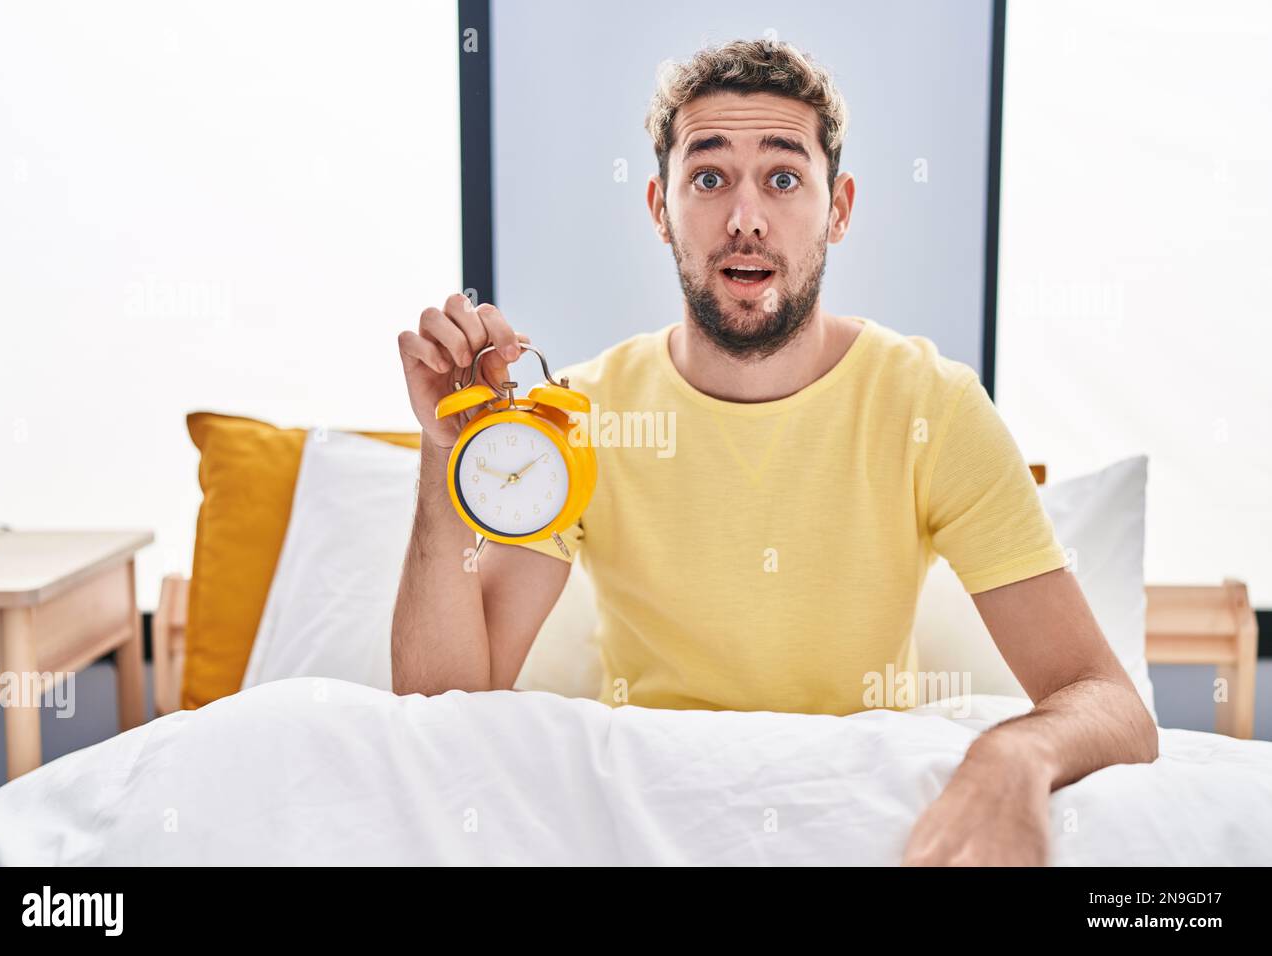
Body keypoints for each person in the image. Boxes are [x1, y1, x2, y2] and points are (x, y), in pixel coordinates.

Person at [391, 38, 1156, 866]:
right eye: (709, 178)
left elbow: (1111, 701)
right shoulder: (582, 415)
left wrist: (1013, 754)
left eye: (784, 179)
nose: (746, 217)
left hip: (854, 816)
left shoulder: (932, 406)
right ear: (659, 207)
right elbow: (444, 703)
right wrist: (442, 456)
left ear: (840, 208)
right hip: (651, 819)